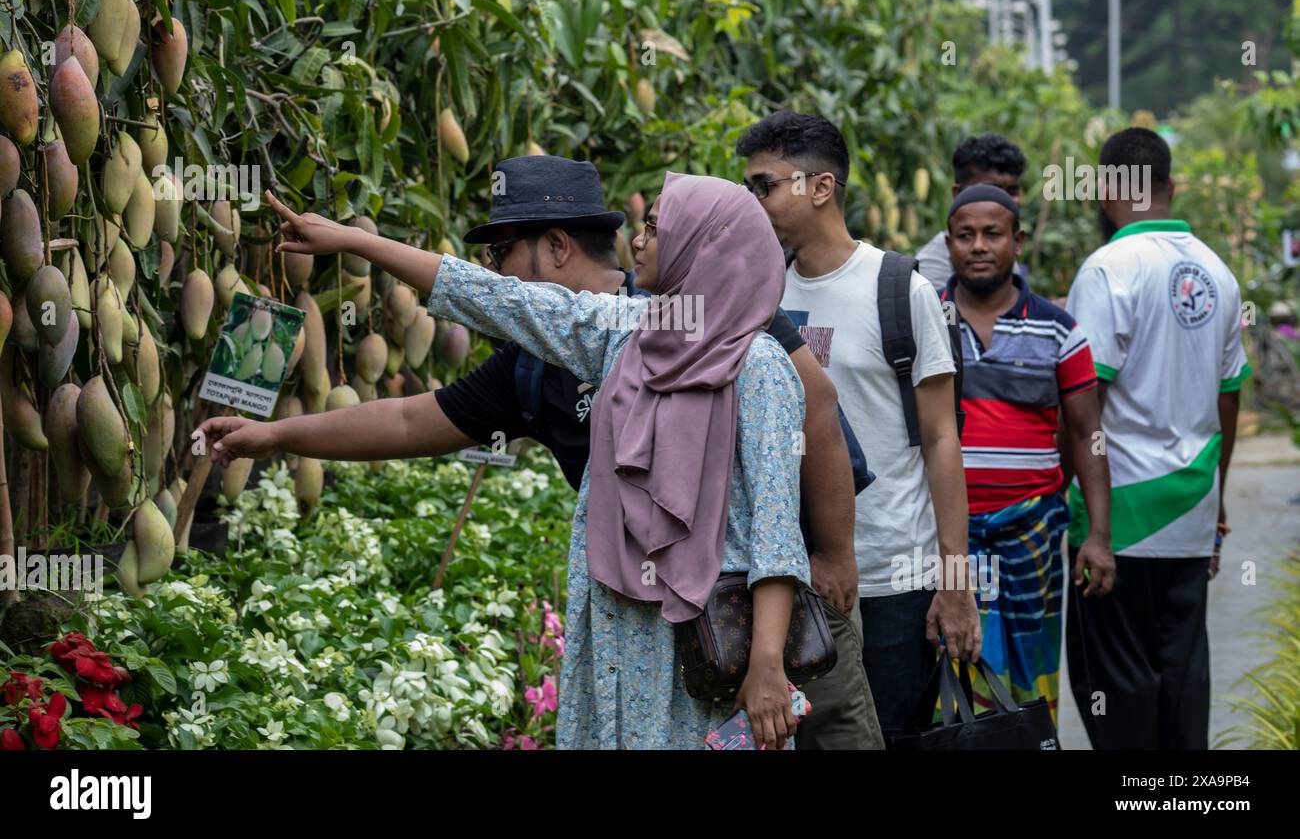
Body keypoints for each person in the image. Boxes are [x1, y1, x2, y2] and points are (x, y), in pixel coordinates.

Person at [198, 155, 881, 748]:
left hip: (721, 638)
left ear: (707, 246)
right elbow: (482, 307)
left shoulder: (756, 361)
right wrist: (351, 243)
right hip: (620, 631)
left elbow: (772, 534)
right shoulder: (622, 332)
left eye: (656, 228)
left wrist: (771, 653)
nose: (640, 240)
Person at [737, 111, 981, 737]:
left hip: (892, 576)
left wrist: (955, 583)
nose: (752, 201)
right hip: (790, 579)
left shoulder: (899, 288)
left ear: (820, 187)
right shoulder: (757, 290)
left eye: (765, 185)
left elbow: (941, 438)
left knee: (894, 735)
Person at [1064, 127, 1250, 749]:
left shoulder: (1108, 269)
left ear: (1109, 188)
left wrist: (1094, 528)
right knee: (1183, 682)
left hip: (1119, 517)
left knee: (1117, 693)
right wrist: (1217, 504)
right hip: (1192, 512)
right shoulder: (1219, 274)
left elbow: (1084, 404)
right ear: (1169, 186)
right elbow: (1230, 399)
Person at [938, 182, 1116, 724]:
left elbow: (1087, 434)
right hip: (948, 535)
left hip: (1033, 533)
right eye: (965, 235)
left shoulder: (1059, 330)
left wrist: (1099, 535)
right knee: (956, 670)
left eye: (993, 234)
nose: (979, 246)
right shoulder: (924, 320)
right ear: (949, 244)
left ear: (1017, 241)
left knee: (1032, 671)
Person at [915, 134, 1028, 289]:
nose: (1004, 201)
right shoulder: (932, 269)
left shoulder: (1004, 253)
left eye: (1012, 191)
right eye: (991, 190)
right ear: (958, 194)